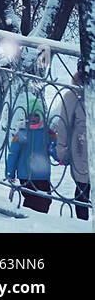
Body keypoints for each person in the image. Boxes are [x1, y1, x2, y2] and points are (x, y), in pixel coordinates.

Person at [6, 96, 61, 214]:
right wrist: (10, 173)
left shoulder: (48, 133)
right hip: (25, 175)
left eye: (36, 115)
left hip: (42, 175)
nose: (33, 118)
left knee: (45, 201)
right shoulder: (21, 133)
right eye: (30, 115)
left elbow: (53, 149)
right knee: (31, 200)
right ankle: (28, 223)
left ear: (40, 116)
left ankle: (36, 224)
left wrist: (60, 158)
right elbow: (13, 154)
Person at [55, 68, 90, 220]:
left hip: (83, 147)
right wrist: (62, 150)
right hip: (82, 149)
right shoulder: (73, 95)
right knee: (83, 190)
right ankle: (82, 226)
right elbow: (63, 125)